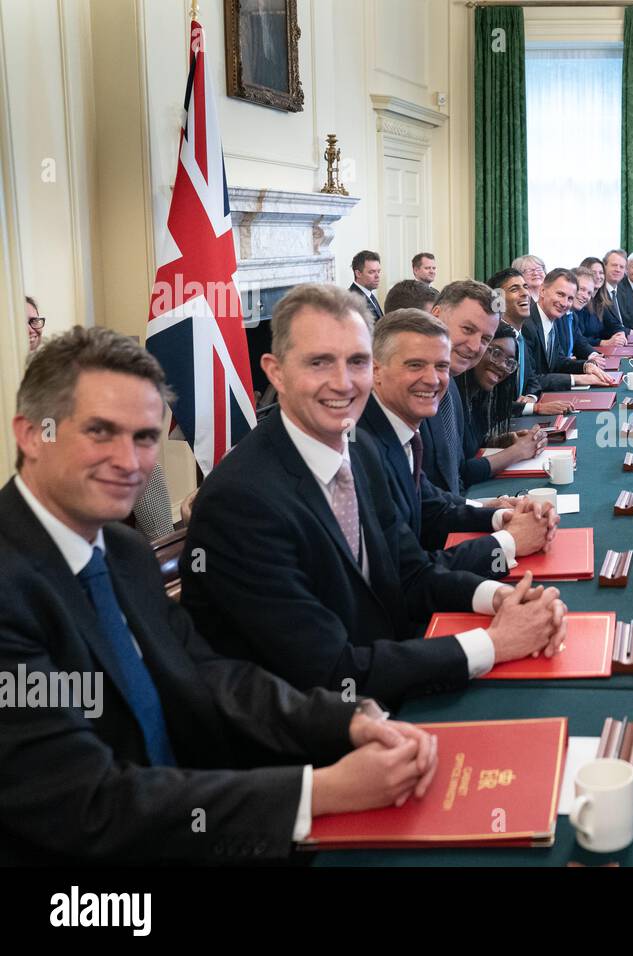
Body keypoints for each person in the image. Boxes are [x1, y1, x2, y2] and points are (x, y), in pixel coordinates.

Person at [0, 325, 450, 863]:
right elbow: (86, 804)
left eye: (144, 437)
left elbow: (209, 675)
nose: (129, 461)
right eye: (100, 432)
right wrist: (319, 793)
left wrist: (343, 717)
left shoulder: (121, 551)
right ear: (31, 434)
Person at [181, 282, 566, 707]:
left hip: (390, 677)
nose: (343, 383)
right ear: (275, 372)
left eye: (357, 361)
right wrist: (493, 644)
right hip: (327, 734)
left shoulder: (357, 451)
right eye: (320, 362)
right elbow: (330, 672)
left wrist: (502, 598)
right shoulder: (241, 502)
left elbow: (411, 574)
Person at [357, 309, 549, 570]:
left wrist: (498, 515)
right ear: (375, 369)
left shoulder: (409, 425)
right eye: (415, 365)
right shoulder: (362, 444)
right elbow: (408, 574)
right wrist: (509, 542)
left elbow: (432, 504)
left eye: (441, 366)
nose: (432, 379)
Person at [488, 268, 575, 418]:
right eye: (515, 289)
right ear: (497, 300)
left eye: (525, 287)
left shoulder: (519, 336)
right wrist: (535, 408)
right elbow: (491, 403)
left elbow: (532, 381)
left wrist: (531, 397)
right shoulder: (494, 341)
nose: (525, 293)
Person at [519, 269, 615, 392]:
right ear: (542, 291)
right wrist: (578, 379)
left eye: (570, 298)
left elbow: (558, 361)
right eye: (560, 294)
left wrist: (586, 366)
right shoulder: (526, 325)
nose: (564, 303)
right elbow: (530, 380)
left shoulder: (552, 320)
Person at [348, 250, 383, 323]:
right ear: (358, 273)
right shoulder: (353, 300)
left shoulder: (369, 294)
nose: (377, 276)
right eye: (371, 272)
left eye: (378, 271)